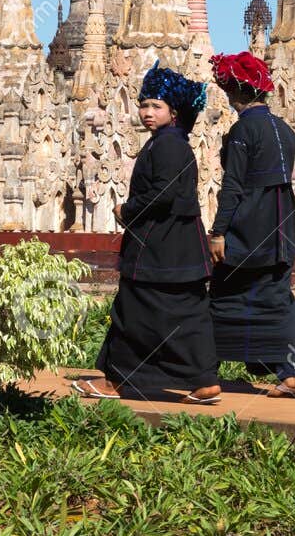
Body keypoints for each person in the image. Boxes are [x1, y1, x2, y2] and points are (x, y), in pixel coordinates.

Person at [77, 64, 221, 405]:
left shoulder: (169, 145)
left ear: (174, 113)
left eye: (156, 107)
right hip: (178, 248)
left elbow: (164, 193)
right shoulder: (170, 142)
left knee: (131, 311)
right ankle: (204, 381)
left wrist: (126, 211)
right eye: (143, 105)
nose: (146, 113)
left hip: (159, 247)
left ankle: (118, 382)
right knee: (187, 314)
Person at [206, 52, 295, 398]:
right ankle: (293, 372)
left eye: (228, 90)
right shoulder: (286, 130)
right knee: (277, 296)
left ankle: (204, 369)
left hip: (249, 224)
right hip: (282, 224)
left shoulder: (242, 130)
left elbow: (233, 186)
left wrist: (218, 232)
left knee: (222, 292)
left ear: (236, 91)